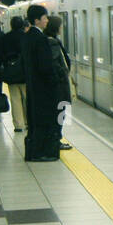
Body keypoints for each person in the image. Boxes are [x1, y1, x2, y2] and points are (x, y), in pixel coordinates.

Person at [22, 4, 62, 161]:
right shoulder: (40, 39)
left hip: (32, 86)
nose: (47, 21)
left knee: (34, 121)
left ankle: (32, 151)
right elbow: (45, 66)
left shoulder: (26, 37)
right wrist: (55, 82)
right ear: (37, 20)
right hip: (43, 89)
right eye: (45, 18)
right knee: (43, 120)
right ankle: (40, 153)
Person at [43, 13, 73, 150]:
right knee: (60, 114)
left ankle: (55, 139)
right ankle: (56, 140)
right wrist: (63, 75)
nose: (62, 28)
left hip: (58, 87)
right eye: (60, 25)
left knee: (58, 113)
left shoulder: (48, 40)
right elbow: (57, 64)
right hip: (59, 87)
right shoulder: (53, 42)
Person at [0, 15, 28, 132]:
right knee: (26, 98)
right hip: (25, 73)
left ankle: (18, 125)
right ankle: (27, 122)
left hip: (11, 73)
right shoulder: (26, 37)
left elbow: (0, 56)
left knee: (15, 99)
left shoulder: (4, 38)